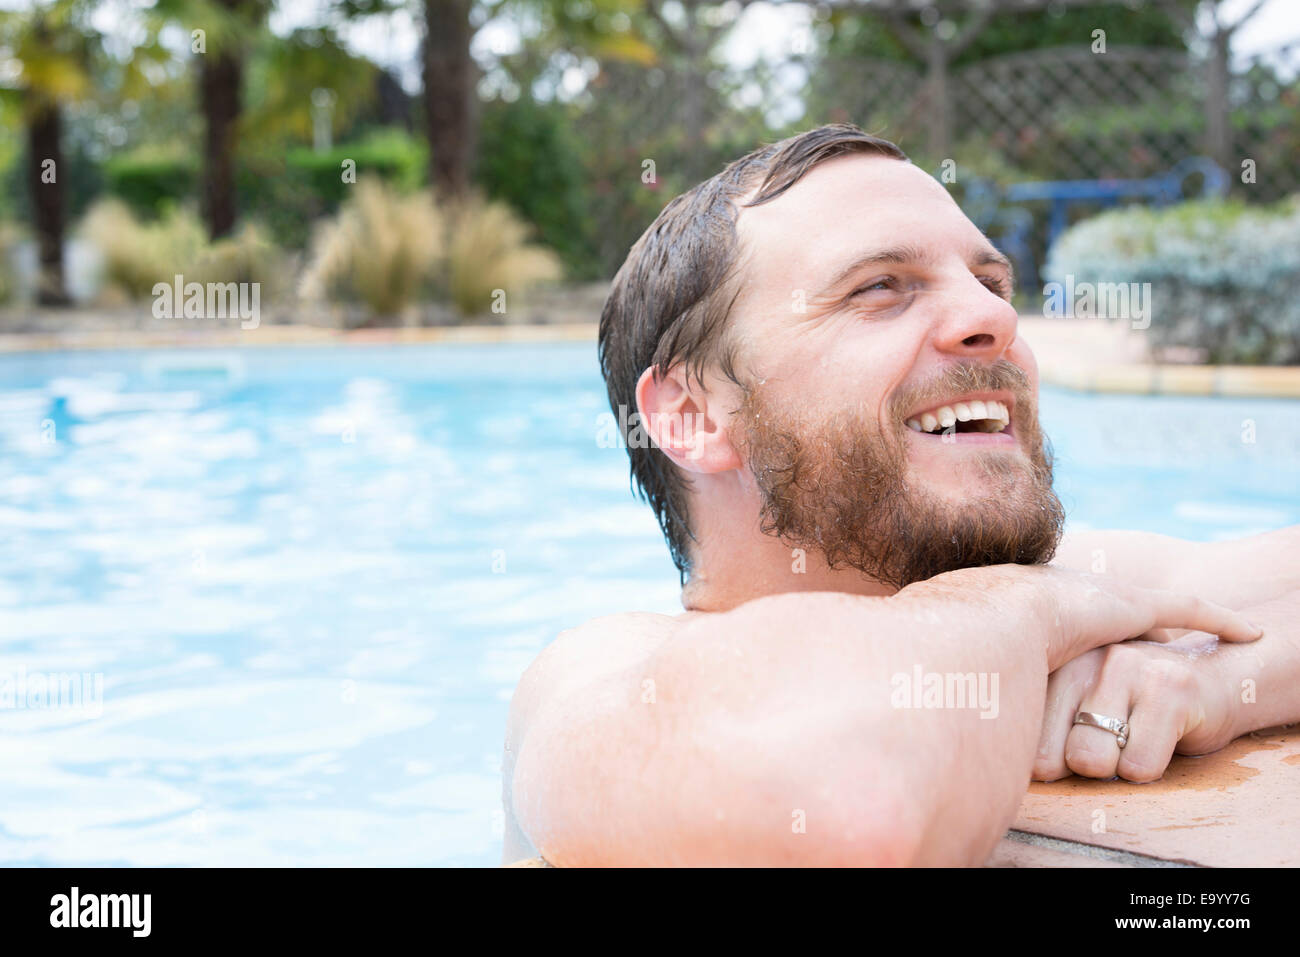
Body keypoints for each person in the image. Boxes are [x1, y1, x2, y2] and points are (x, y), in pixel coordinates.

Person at [502, 124, 1300, 866]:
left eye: (993, 282)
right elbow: (848, 800)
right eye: (880, 287)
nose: (994, 316)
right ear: (693, 414)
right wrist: (1023, 609)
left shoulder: (1068, 588)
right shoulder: (593, 680)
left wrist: (1221, 681)